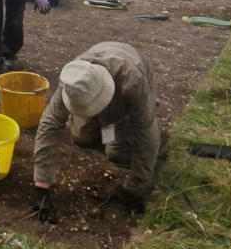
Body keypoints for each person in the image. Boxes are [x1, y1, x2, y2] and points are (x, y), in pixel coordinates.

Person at [32, 42, 160, 224]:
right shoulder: (74, 78)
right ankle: (107, 131)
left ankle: (118, 131)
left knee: (117, 153)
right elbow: (50, 124)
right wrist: (41, 185)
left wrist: (135, 188)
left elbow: (146, 134)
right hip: (99, 59)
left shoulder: (133, 82)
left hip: (132, 67)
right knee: (81, 137)